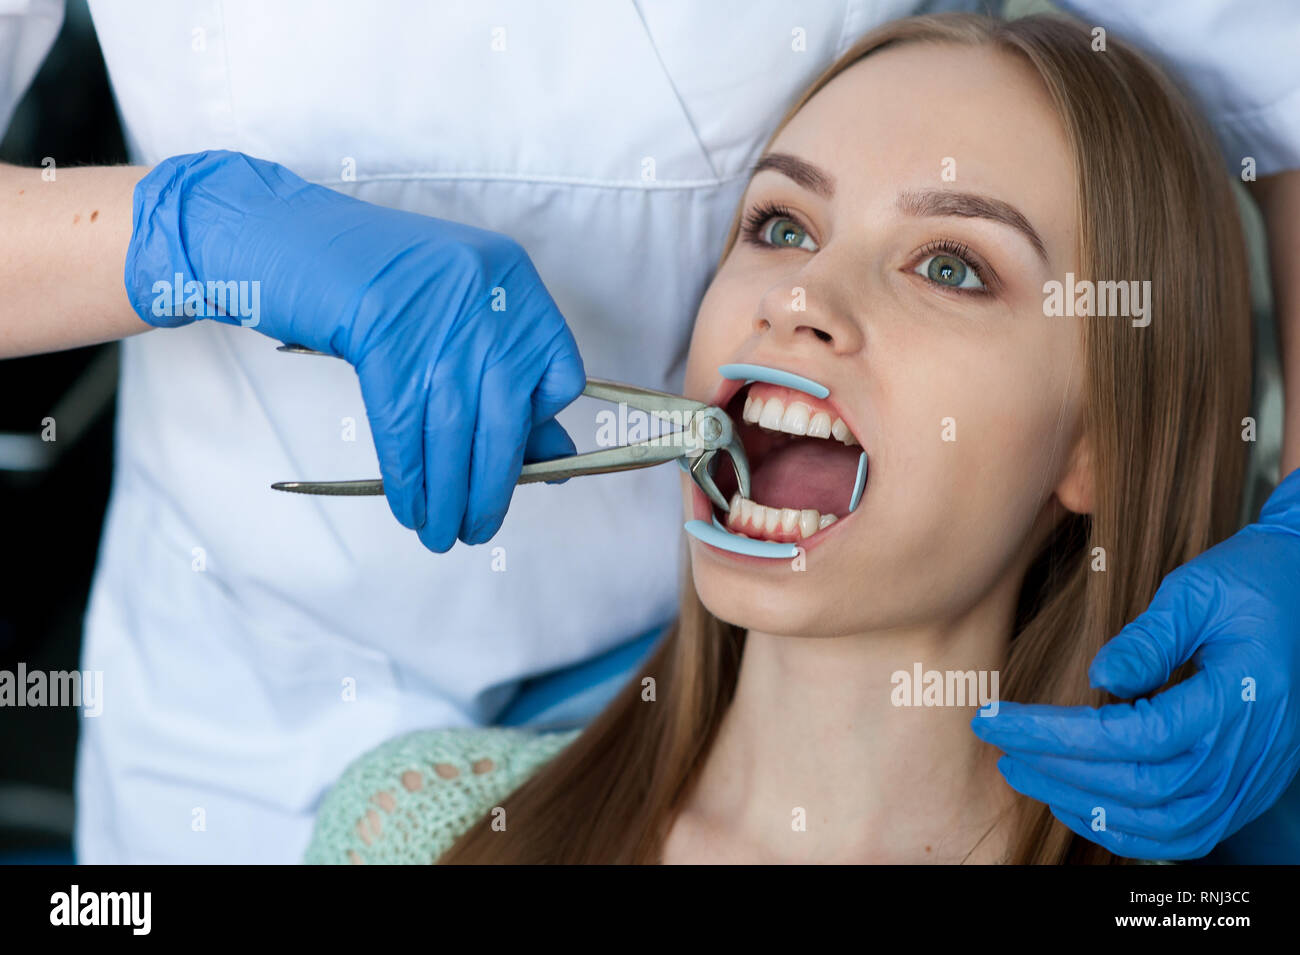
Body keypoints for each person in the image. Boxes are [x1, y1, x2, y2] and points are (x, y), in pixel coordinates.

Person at [0, 0, 1296, 864]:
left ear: (1103, 444)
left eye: (952, 265)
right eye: (779, 225)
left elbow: (1271, 101)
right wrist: (195, 232)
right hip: (228, 674)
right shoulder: (408, 824)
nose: (801, 299)